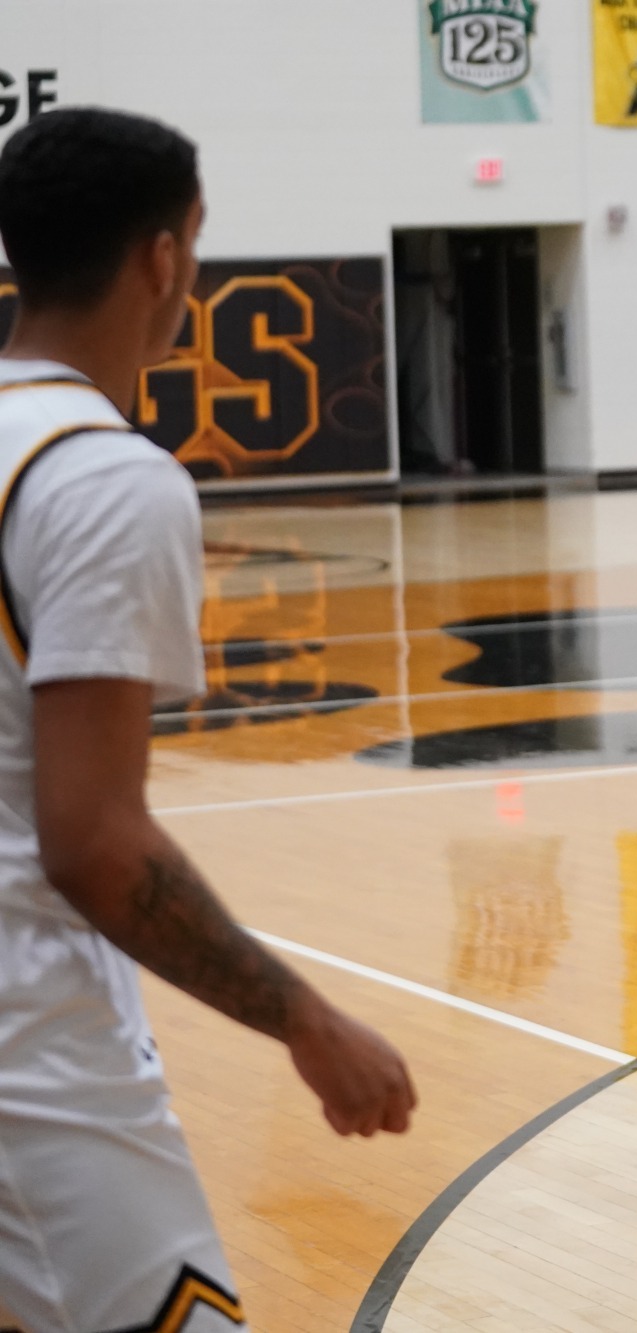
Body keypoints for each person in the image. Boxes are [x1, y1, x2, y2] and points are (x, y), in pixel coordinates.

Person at [0, 108, 418, 1332]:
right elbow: (93, 843)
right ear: (164, 259)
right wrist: (306, 1020)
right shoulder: (103, 474)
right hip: (31, 1052)